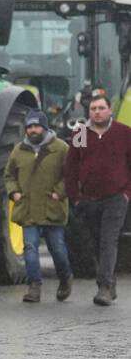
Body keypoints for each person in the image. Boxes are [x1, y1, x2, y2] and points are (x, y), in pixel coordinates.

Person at [63, 93, 131, 305]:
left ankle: (103, 287)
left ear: (110, 110)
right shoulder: (81, 132)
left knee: (108, 239)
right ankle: (110, 283)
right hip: (88, 199)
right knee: (95, 241)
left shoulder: (124, 133)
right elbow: (72, 166)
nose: (97, 112)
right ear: (88, 112)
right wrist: (75, 197)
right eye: (93, 109)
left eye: (101, 108)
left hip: (116, 197)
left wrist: (127, 193)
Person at [5, 110, 72, 303]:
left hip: (53, 207)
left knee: (57, 249)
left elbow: (70, 174)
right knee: (30, 248)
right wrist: (14, 192)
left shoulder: (61, 148)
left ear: (45, 127)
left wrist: (59, 192)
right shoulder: (18, 150)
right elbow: (9, 175)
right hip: (28, 209)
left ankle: (66, 278)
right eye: (30, 127)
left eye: (36, 126)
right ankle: (34, 288)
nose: (33, 130)